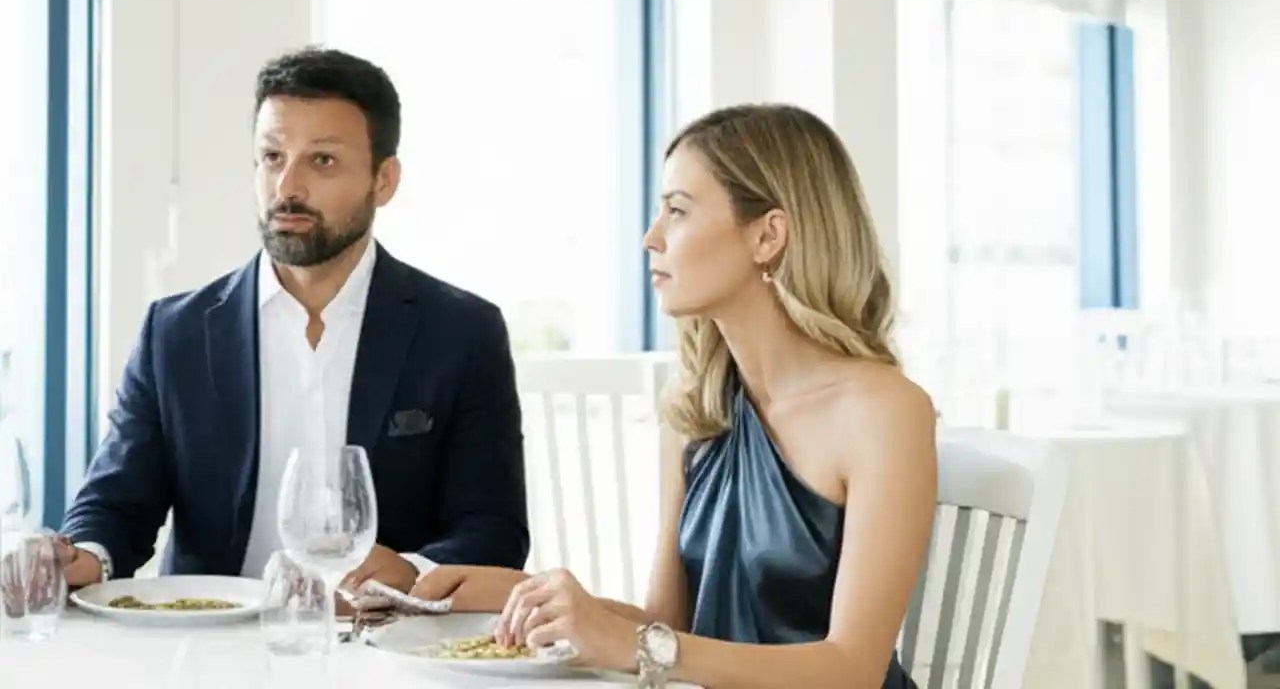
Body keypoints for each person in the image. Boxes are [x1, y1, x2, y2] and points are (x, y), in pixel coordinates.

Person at [413, 104, 936, 688]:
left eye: (678, 211)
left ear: (767, 235)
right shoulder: (696, 409)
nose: (651, 237)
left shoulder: (884, 413)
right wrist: (524, 592)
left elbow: (852, 669)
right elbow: (670, 628)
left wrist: (629, 642)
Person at [56, 48, 529, 592]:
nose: (287, 188)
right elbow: (114, 505)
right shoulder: (174, 333)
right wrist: (82, 557)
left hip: (384, 633)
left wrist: (408, 572)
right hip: (210, 634)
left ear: (384, 180)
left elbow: (493, 530)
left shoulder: (462, 333)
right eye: (272, 157)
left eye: (322, 160)